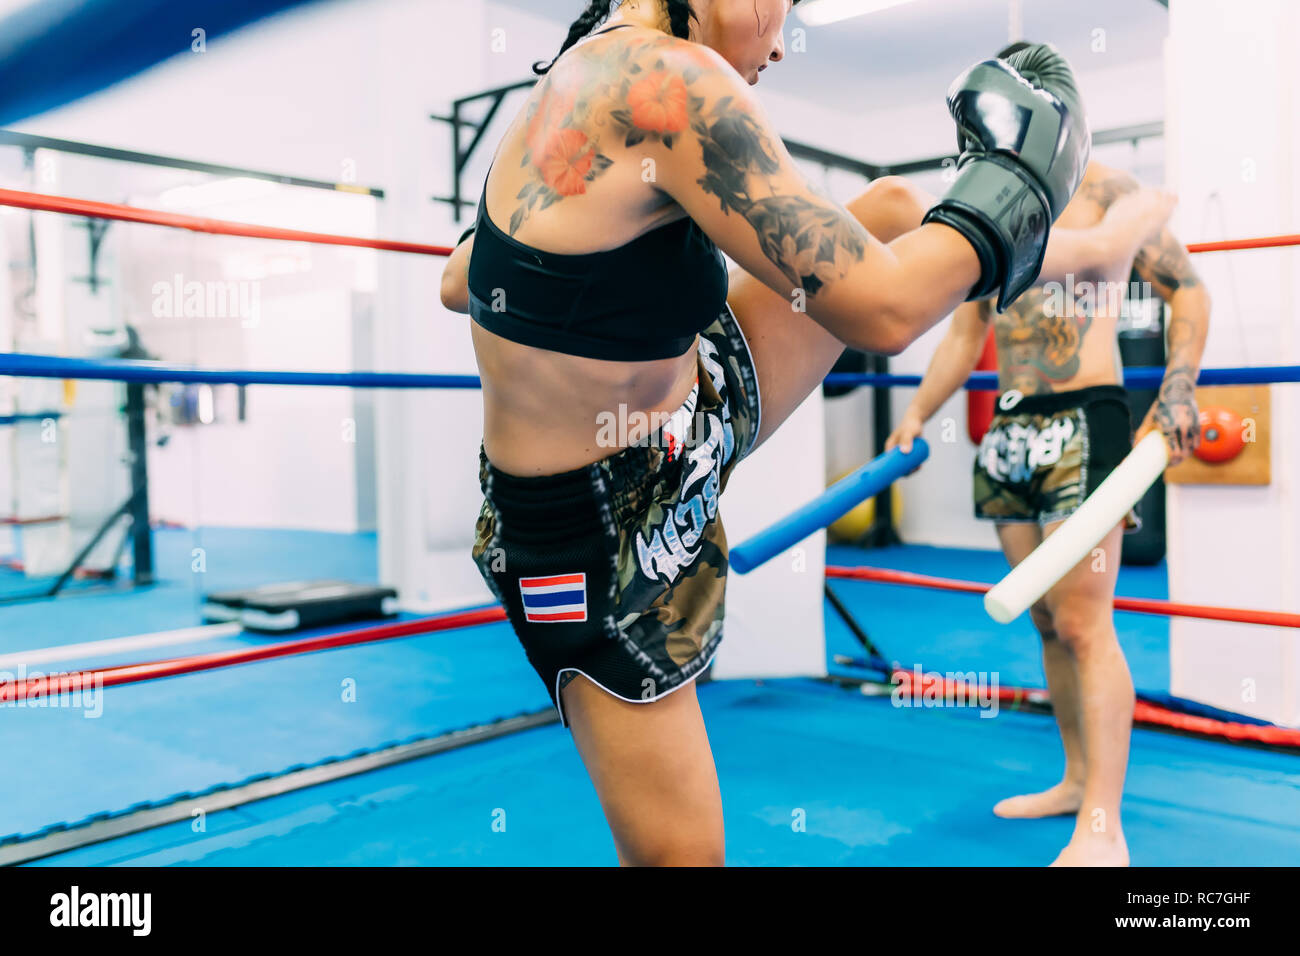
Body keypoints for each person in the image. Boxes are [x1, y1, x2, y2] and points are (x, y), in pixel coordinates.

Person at [440, 1, 1174, 865]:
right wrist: (1015, 189)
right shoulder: (672, 80)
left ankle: (1078, 250)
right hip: (594, 542)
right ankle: (1069, 240)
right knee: (685, 861)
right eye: (778, 5)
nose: (782, 42)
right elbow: (888, 311)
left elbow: (459, 282)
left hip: (699, 404)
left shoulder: (570, 83)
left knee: (896, 205)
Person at [886, 41, 1208, 869]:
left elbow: (1190, 292)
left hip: (1089, 420)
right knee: (1043, 620)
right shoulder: (987, 200)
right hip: (1015, 425)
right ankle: (1074, 782)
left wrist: (1176, 389)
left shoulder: (1111, 194)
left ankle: (1105, 825)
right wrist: (915, 415)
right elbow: (965, 332)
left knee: (1083, 622)